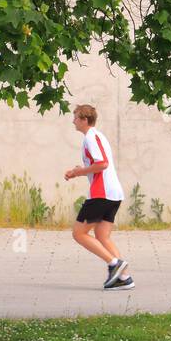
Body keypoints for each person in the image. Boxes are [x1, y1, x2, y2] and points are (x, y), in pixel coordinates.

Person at [64, 104, 133, 290]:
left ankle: (114, 264)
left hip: (101, 194)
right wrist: (80, 171)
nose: (73, 121)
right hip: (114, 193)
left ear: (85, 120)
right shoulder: (98, 135)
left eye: (76, 117)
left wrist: (78, 173)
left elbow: (102, 164)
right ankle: (124, 278)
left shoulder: (90, 138)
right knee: (102, 235)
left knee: (79, 233)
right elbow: (100, 164)